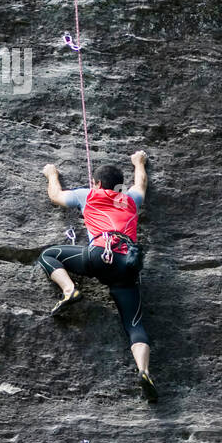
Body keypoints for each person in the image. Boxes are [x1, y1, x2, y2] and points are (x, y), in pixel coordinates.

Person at [39, 152, 157, 401]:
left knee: (49, 255)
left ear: (98, 184)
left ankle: (70, 290)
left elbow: (56, 196)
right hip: (127, 266)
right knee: (134, 325)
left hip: (98, 256)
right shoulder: (131, 200)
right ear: (118, 185)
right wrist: (139, 162)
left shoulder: (89, 194)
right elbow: (141, 185)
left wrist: (52, 174)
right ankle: (144, 371)